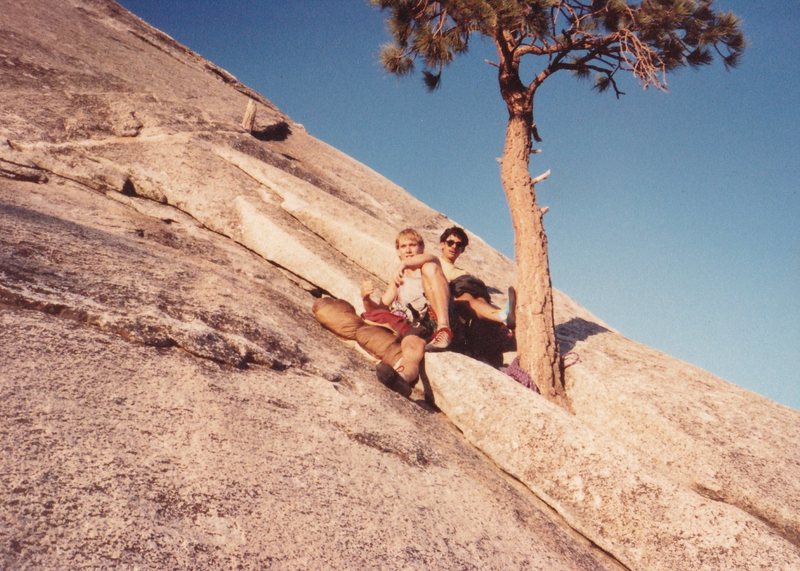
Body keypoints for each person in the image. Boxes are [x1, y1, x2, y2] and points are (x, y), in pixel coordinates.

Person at [360, 228, 455, 389]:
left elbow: (432, 260)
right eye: (403, 246)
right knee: (411, 346)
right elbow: (380, 309)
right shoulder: (398, 279)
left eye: (413, 245)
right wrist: (366, 298)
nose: (409, 250)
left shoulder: (431, 266)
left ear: (422, 247)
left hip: (438, 316)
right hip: (420, 326)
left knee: (428, 267)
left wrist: (404, 264)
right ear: (398, 251)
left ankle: (444, 329)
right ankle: (404, 378)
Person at [438, 226, 516, 330]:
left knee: (481, 300)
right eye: (450, 242)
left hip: (472, 295)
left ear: (462, 249)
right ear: (442, 244)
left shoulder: (462, 271)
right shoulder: (435, 263)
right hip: (453, 297)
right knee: (468, 300)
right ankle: (503, 316)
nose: (454, 247)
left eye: (459, 244)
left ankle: (503, 316)